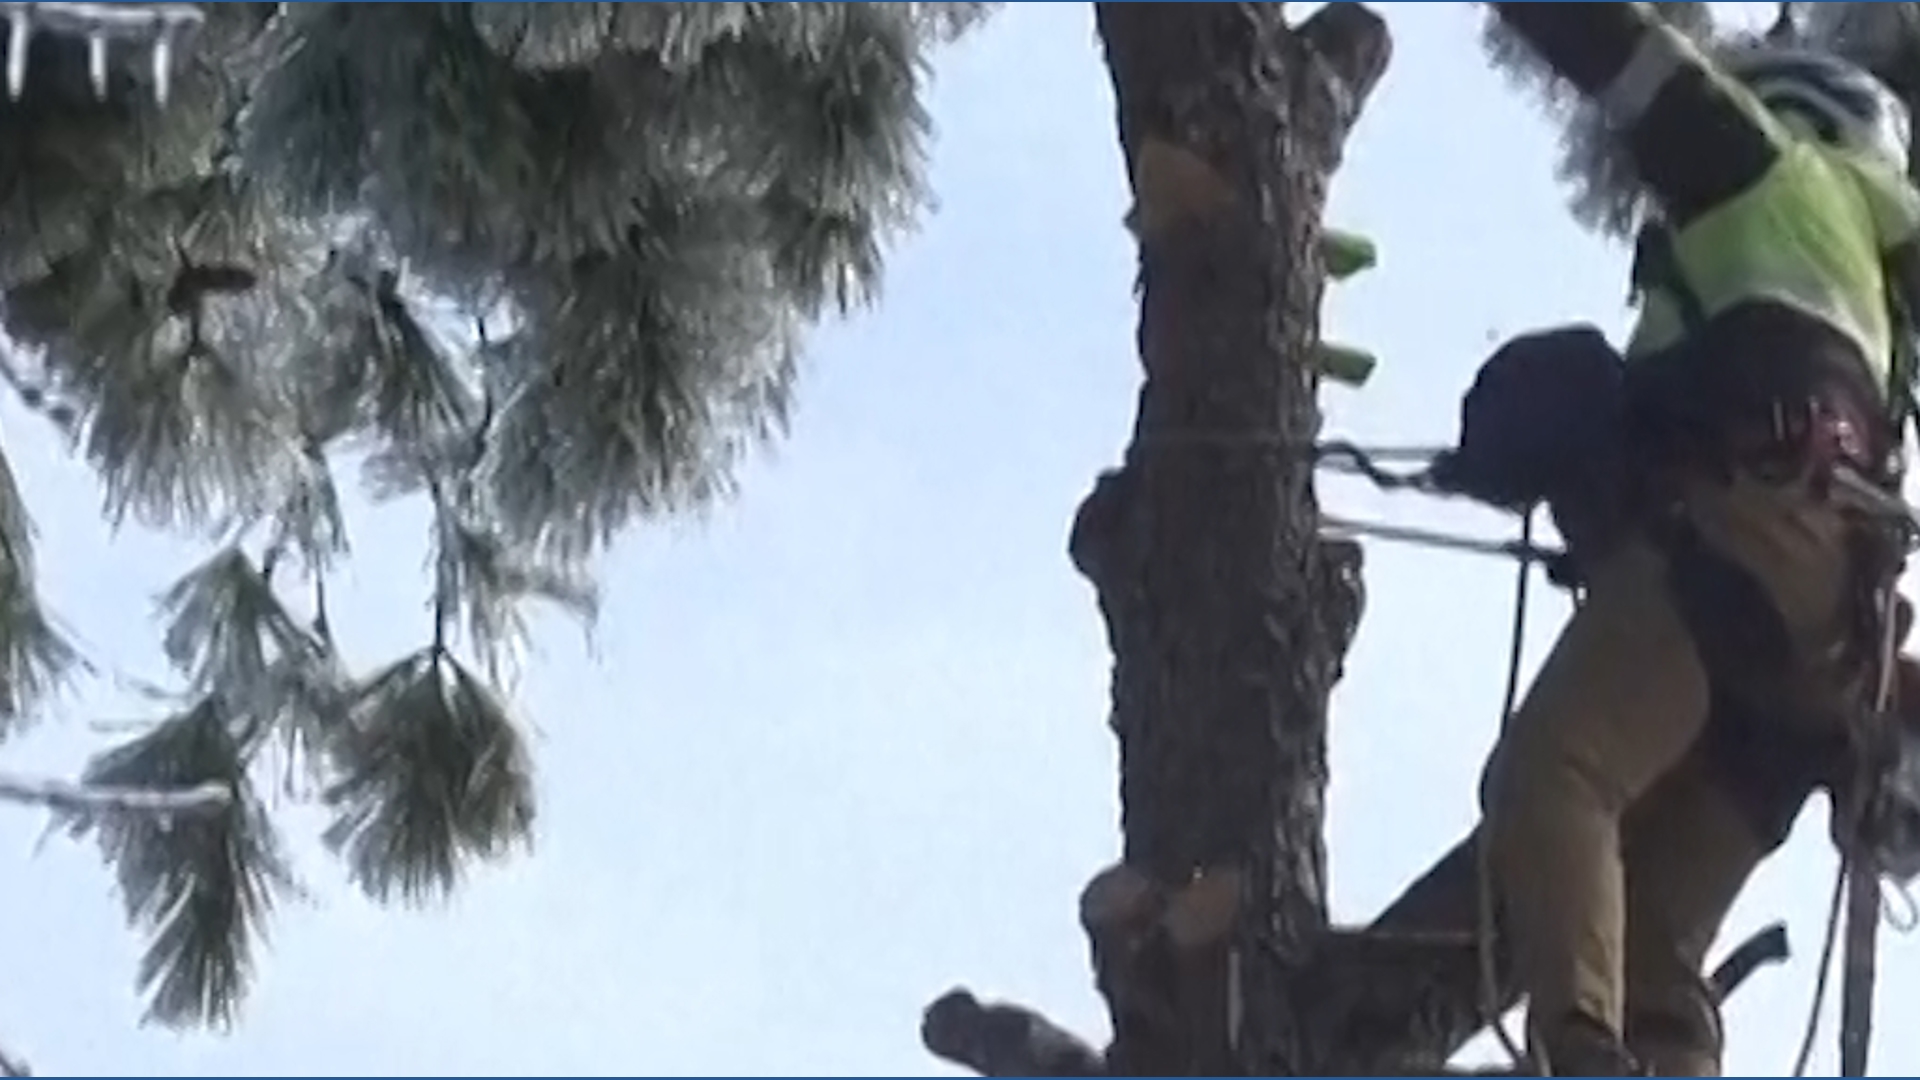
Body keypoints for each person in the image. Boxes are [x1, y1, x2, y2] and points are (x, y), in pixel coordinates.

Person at [1452, 5, 1920, 1074]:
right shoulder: (1882, 314)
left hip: (1745, 549)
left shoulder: (1768, 177)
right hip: (1824, 665)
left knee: (1556, 774)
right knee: (1655, 937)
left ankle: (1580, 1052)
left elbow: (1623, 52)